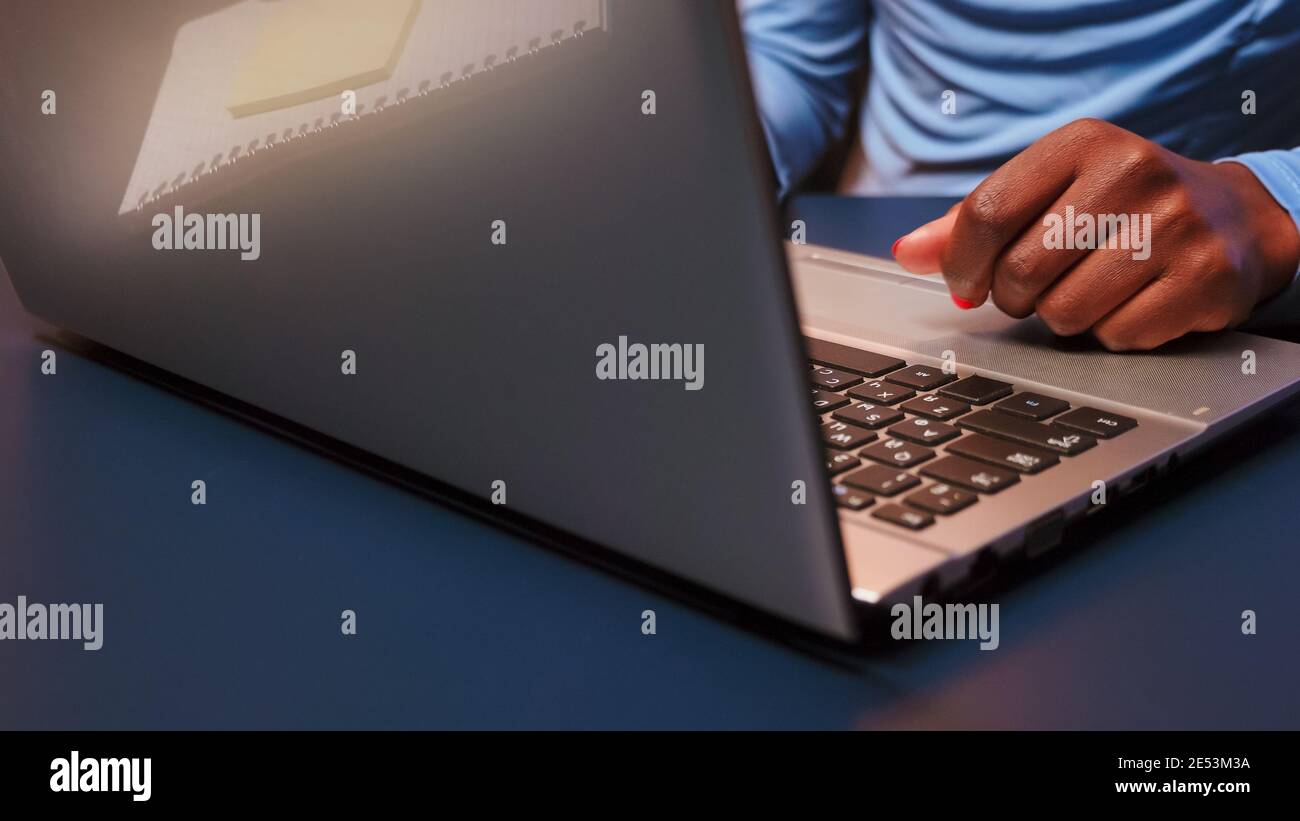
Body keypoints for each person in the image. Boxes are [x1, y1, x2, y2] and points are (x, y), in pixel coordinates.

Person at [741, 0, 1300, 350]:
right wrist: (704, 160)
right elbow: (790, 53)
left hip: (1178, 287)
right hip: (866, 259)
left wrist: (1275, 202)